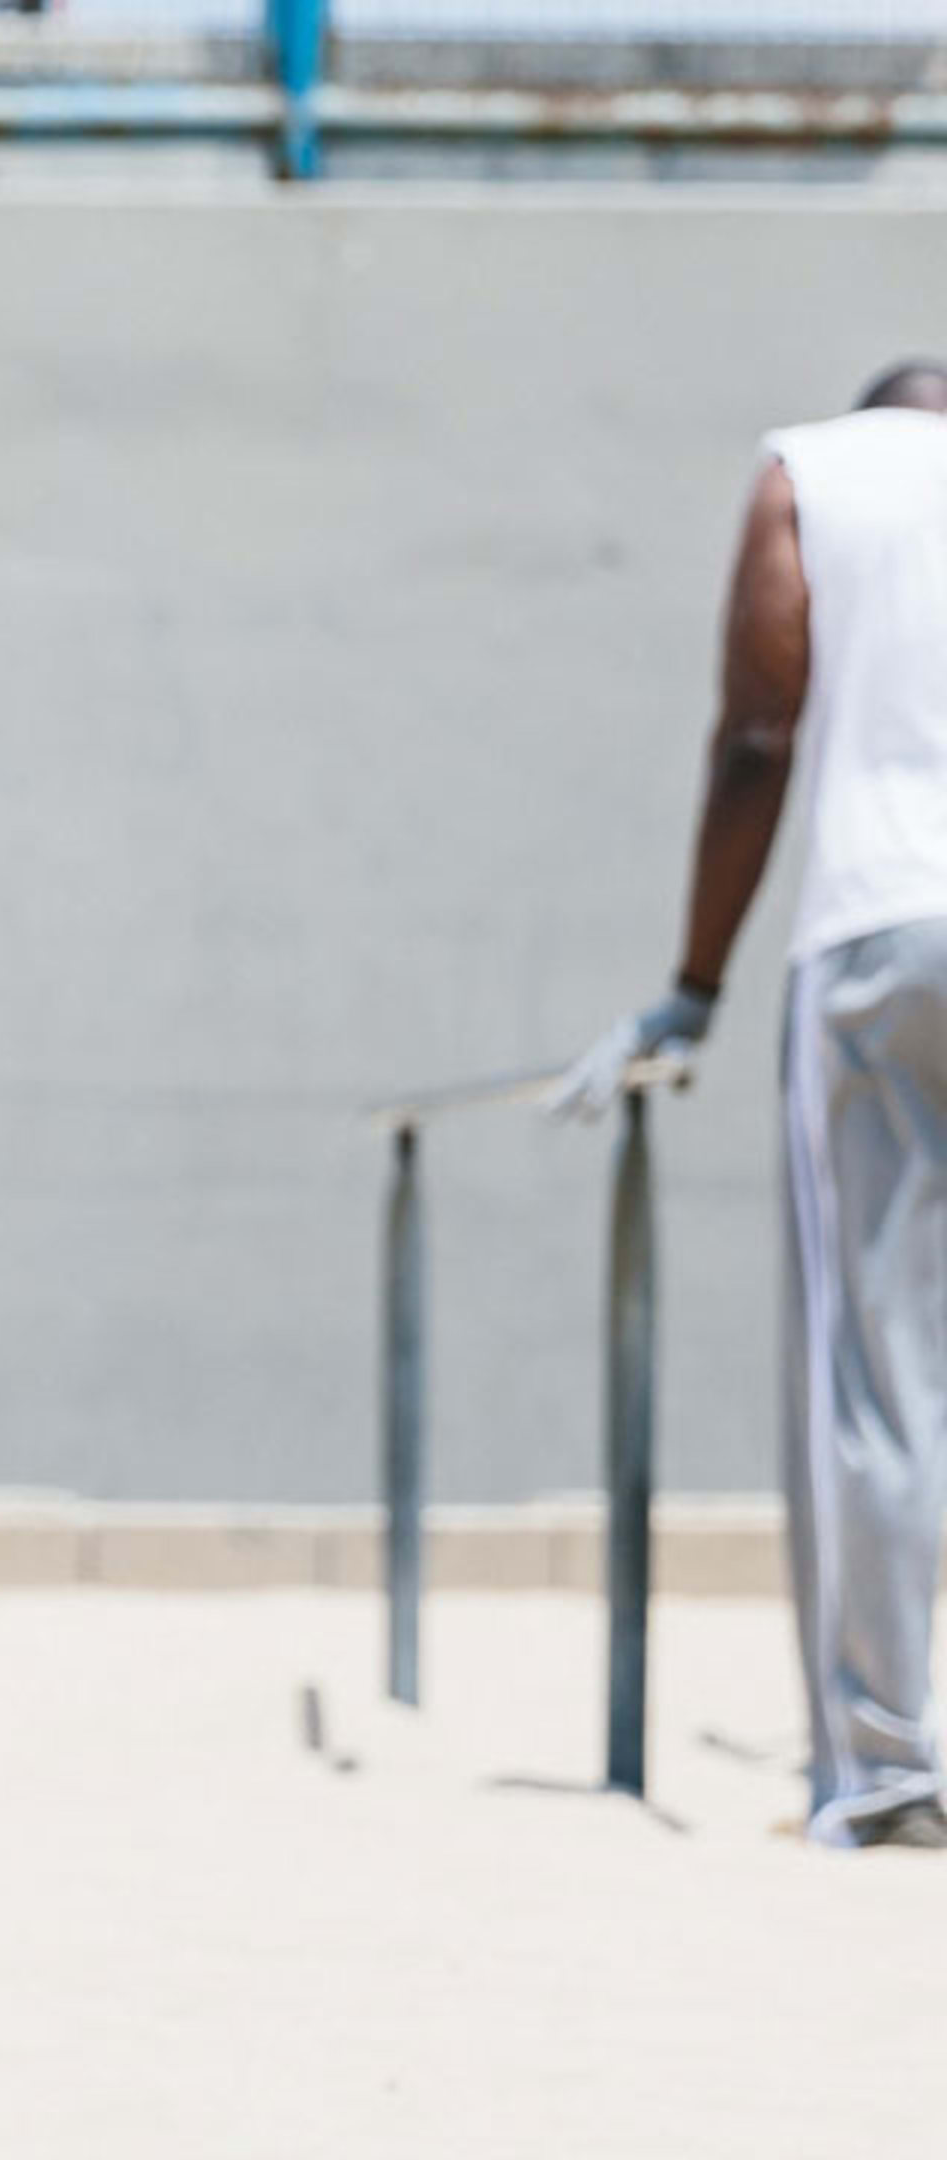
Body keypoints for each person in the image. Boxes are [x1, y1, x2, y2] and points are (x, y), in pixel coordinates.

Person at [556, 358, 947, 1850]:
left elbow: (759, 734)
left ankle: (887, 1770)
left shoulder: (814, 472)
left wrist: (695, 982)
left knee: (877, 1362)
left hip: (883, 933)